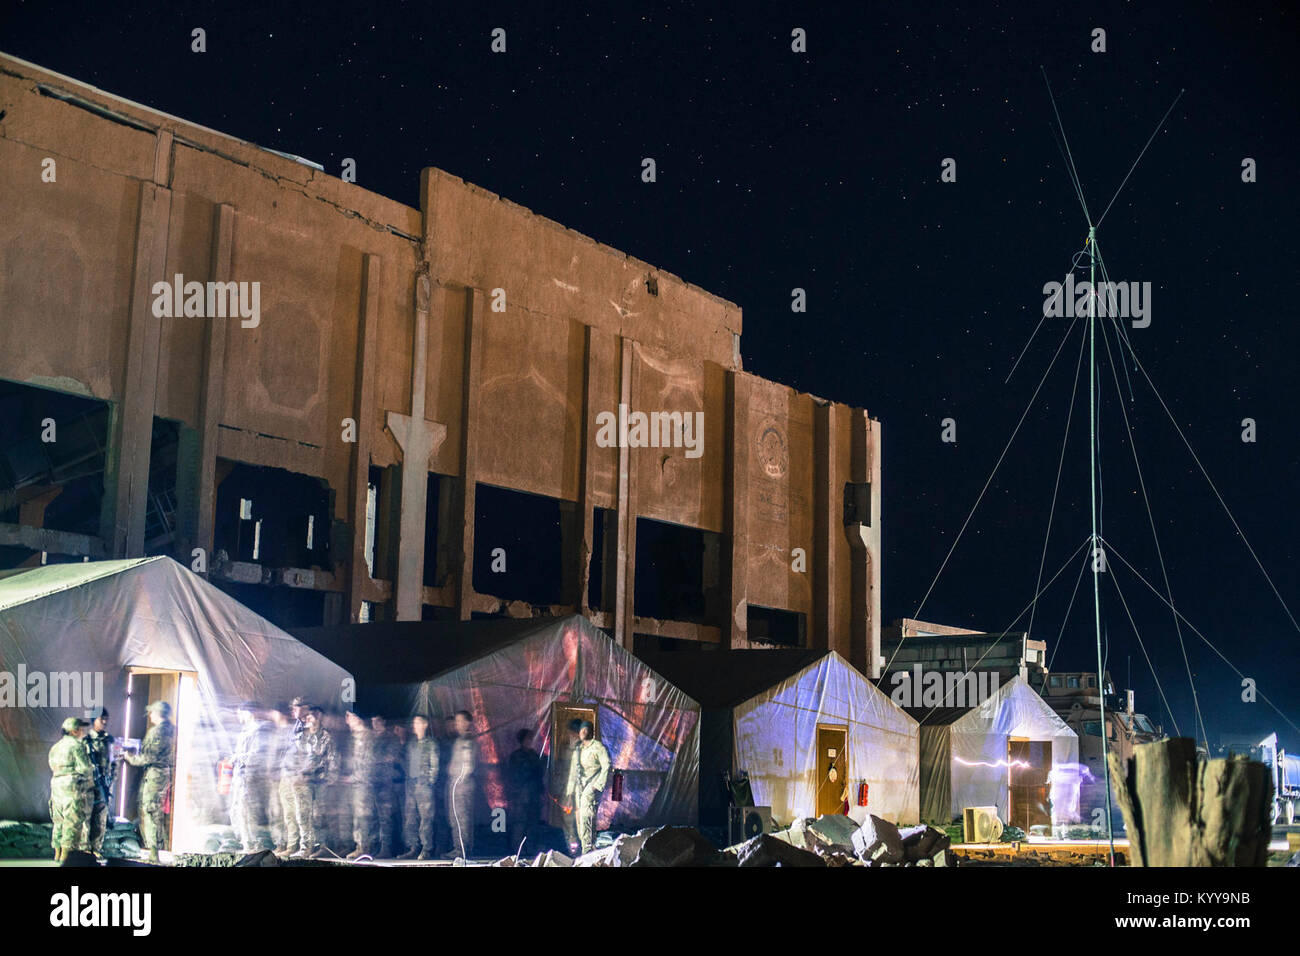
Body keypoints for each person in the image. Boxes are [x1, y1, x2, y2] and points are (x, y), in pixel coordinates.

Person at [123, 700, 175, 863]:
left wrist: (130, 758)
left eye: (152, 712)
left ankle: (154, 853)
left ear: (158, 713)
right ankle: (158, 850)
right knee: (156, 813)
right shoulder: (172, 730)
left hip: (154, 776)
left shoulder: (158, 731)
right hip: (163, 774)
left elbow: (149, 756)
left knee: (150, 812)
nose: (150, 715)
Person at [294, 706, 338, 859]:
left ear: (319, 719)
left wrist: (330, 779)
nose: (308, 720)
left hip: (320, 781)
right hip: (303, 781)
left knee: (319, 815)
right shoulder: (301, 737)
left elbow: (333, 760)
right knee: (303, 814)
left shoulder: (326, 737)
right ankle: (305, 847)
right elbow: (294, 757)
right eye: (307, 717)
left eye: (312, 717)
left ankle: (323, 846)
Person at [49, 716, 94, 862]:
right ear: (74, 731)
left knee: (58, 820)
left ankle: (57, 852)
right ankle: (65, 857)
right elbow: (85, 768)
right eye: (81, 729)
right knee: (72, 821)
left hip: (56, 785)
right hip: (72, 786)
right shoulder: (77, 745)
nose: (83, 732)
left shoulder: (55, 747)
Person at [229, 701, 270, 853]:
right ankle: (246, 843)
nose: (239, 716)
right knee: (238, 810)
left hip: (249, 776)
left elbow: (257, 754)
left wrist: (238, 758)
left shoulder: (258, 730)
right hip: (241, 776)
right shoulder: (246, 730)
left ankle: (252, 844)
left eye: (241, 712)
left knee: (247, 811)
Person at [564, 720, 610, 855]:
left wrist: (597, 786)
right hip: (580, 787)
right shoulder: (578, 749)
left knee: (587, 817)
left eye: (586, 730)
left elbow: (607, 765)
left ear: (591, 731)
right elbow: (573, 771)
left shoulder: (598, 747)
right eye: (581, 730)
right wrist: (569, 792)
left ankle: (587, 849)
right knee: (579, 819)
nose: (583, 732)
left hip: (591, 786)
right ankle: (587, 848)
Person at [397, 715, 439, 860]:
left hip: (424, 785)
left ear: (425, 724)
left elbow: (435, 765)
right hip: (411, 785)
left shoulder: (431, 743)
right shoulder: (411, 744)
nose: (414, 726)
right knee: (410, 818)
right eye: (414, 723)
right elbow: (405, 761)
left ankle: (426, 849)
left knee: (425, 818)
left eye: (418, 723)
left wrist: (429, 782)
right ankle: (413, 847)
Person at [83, 708, 118, 857]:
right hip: (89, 785)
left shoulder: (110, 740)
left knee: (101, 817)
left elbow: (114, 762)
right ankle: (84, 848)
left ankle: (96, 848)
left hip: (104, 784)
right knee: (86, 817)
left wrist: (111, 780)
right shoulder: (86, 740)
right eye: (100, 718)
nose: (104, 722)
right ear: (93, 720)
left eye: (106, 718)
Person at [505, 728, 544, 852]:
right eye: (527, 739)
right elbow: (512, 775)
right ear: (522, 740)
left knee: (532, 823)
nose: (530, 741)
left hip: (534, 794)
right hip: (521, 794)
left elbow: (539, 774)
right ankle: (517, 849)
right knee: (519, 823)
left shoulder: (534, 755)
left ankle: (530, 848)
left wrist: (540, 790)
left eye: (531, 739)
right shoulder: (516, 756)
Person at [445, 710, 476, 859]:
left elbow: (468, 765)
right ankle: (463, 849)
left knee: (460, 818)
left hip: (461, 786)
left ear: (467, 722)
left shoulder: (466, 741)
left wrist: (458, 782)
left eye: (459, 721)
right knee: (458, 817)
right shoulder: (461, 740)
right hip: (458, 784)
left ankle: (461, 850)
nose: (456, 724)